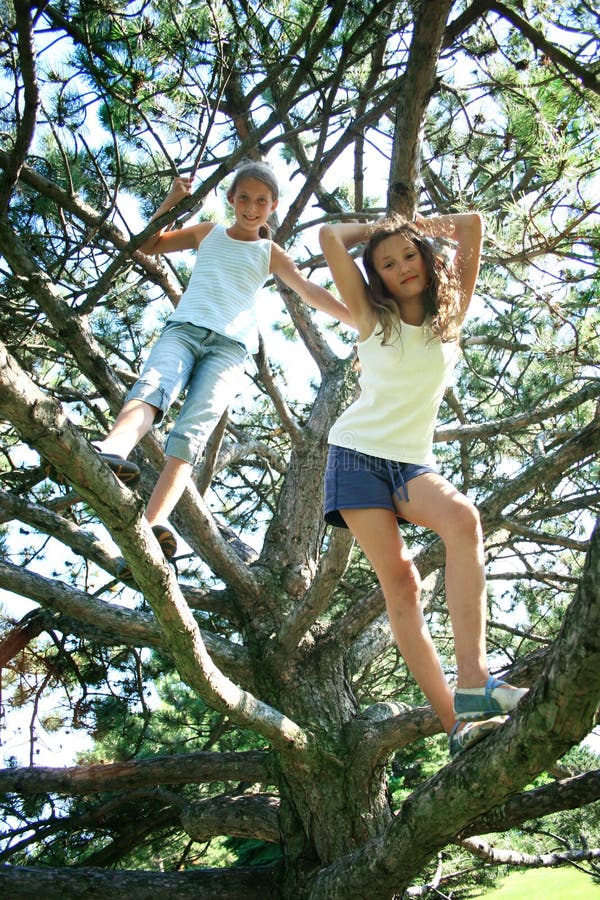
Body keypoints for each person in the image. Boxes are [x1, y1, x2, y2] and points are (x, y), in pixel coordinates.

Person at [318, 211, 527, 757]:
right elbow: (330, 238)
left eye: (408, 255)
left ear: (427, 260)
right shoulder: (371, 317)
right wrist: (378, 231)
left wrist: (412, 225)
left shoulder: (449, 316)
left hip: (412, 464)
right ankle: (456, 721)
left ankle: (476, 683)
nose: (401, 267)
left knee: (464, 520)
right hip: (357, 457)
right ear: (377, 277)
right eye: (386, 263)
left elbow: (474, 226)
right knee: (403, 583)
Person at [92, 162, 354, 578]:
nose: (252, 207)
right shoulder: (208, 232)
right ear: (231, 199)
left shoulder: (269, 252)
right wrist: (174, 199)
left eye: (261, 201)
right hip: (185, 330)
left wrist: (358, 318)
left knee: (191, 432)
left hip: (230, 350)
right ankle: (113, 450)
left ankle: (155, 521)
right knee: (153, 387)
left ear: (273, 207)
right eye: (244, 198)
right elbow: (150, 244)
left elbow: (309, 290)